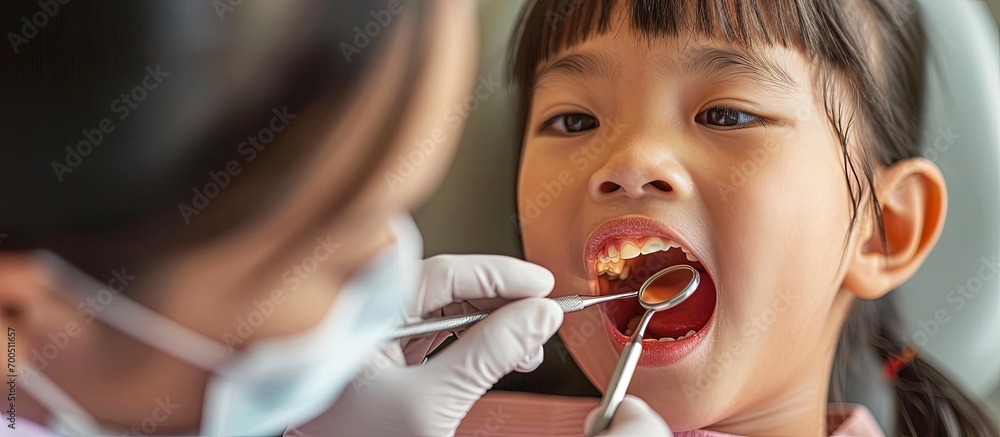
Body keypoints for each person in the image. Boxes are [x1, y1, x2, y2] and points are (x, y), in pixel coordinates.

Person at [458, 0, 998, 436]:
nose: (629, 163)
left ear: (882, 230)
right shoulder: (430, 415)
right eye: (574, 121)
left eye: (726, 115)